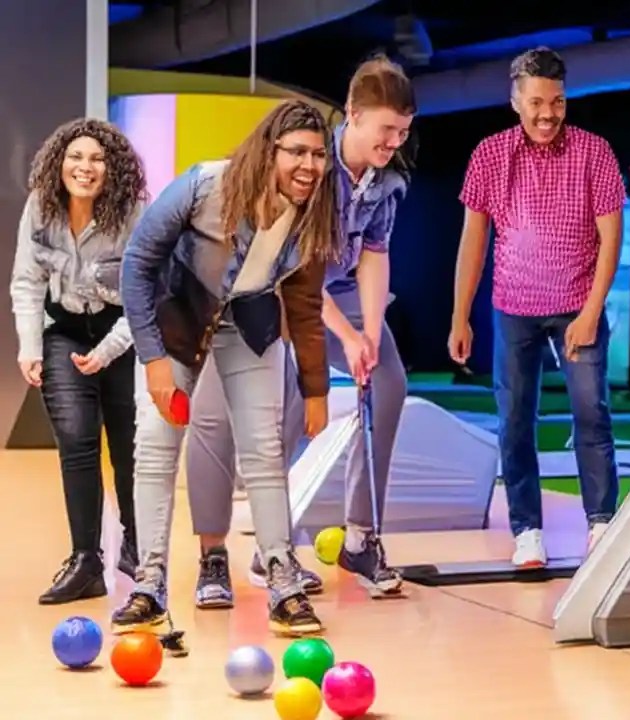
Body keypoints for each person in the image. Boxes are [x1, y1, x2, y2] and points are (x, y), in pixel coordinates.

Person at [183, 55, 414, 606]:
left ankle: (361, 537)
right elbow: (297, 272)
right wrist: (347, 337)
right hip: (275, 290)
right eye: (385, 130)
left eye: (403, 133)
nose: (393, 143)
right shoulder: (310, 165)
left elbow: (374, 255)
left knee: (389, 383)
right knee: (275, 409)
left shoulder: (388, 180)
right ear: (353, 115)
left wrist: (372, 333)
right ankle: (264, 547)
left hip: (340, 297)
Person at [111, 99, 338, 637]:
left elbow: (305, 305)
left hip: (251, 322)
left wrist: (316, 389)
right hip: (180, 319)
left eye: (319, 155)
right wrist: (154, 361)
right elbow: (138, 266)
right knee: (156, 446)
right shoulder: (204, 185)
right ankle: (149, 583)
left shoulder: (316, 211)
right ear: (269, 150)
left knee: (264, 450)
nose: (310, 165)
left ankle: (282, 579)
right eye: (298, 153)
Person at [449, 46, 626, 569]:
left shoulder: (595, 152)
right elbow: (472, 243)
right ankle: (527, 530)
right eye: (536, 102)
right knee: (514, 420)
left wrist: (592, 311)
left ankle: (601, 523)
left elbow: (612, 238)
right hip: (513, 308)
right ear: (515, 101)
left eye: (557, 102)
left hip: (578, 305)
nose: (547, 113)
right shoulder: (489, 155)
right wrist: (460, 316)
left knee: (592, 414)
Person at [9, 118, 147, 605]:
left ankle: (138, 548)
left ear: (113, 170)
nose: (84, 167)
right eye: (75, 157)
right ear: (59, 162)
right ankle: (85, 561)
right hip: (63, 332)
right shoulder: (41, 208)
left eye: (97, 158)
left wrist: (107, 351)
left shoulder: (133, 213)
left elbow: (142, 295)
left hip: (122, 335)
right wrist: (30, 345)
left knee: (130, 446)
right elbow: (26, 281)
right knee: (76, 441)